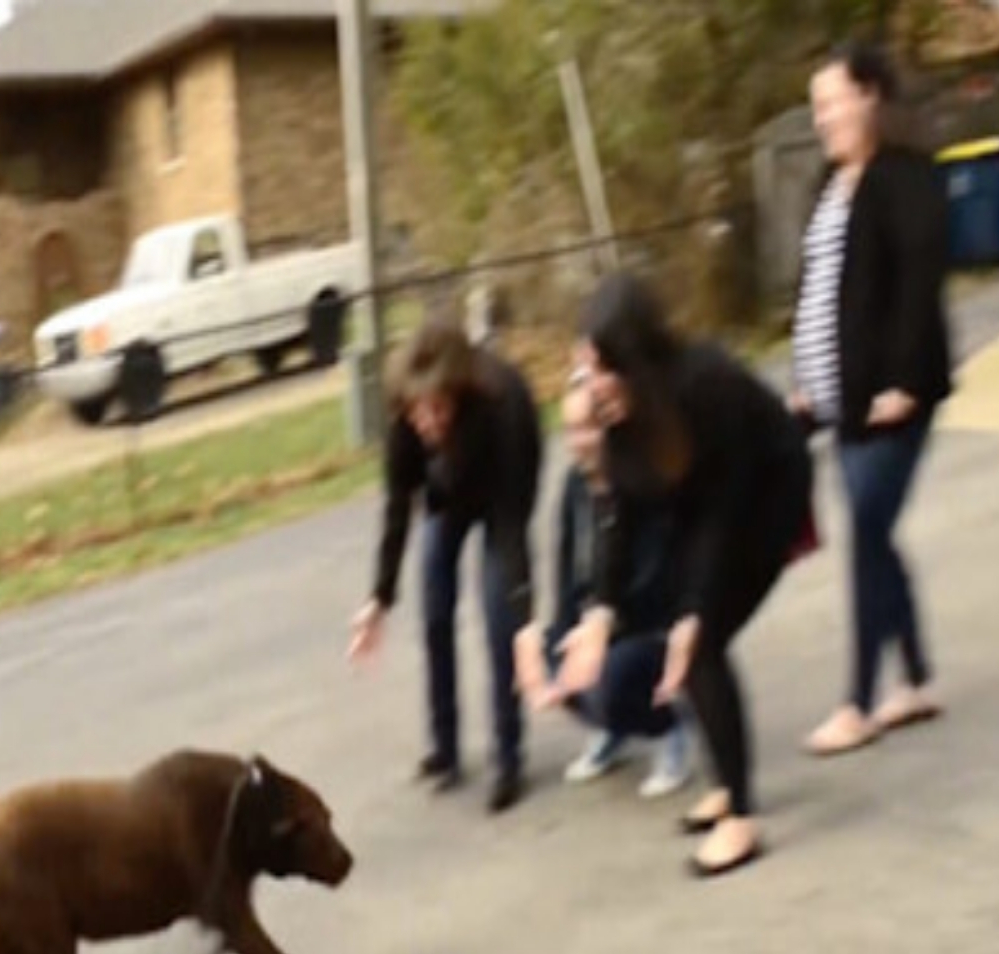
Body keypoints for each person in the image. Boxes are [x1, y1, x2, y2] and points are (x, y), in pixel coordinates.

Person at [517, 272, 812, 877]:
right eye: (585, 367)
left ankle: (741, 820)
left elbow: (720, 516)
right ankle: (729, 782)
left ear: (638, 360)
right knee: (697, 640)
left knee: (699, 642)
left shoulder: (707, 386)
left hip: (766, 494)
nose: (590, 384)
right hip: (703, 506)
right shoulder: (618, 410)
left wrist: (697, 609)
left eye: (601, 367)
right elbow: (617, 516)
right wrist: (600, 614)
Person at [792, 41, 951, 756]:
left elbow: (919, 285)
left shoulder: (904, 177)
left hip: (894, 400)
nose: (821, 117)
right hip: (843, 400)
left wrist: (905, 383)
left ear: (869, 98)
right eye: (816, 105)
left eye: (830, 101)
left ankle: (857, 702)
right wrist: (806, 378)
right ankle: (914, 679)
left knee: (865, 532)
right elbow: (822, 291)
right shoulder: (833, 184)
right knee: (876, 532)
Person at [348, 316, 543, 814]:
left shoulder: (502, 405)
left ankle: (509, 757)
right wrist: (379, 597)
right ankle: (445, 749)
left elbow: (510, 525)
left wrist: (523, 614)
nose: (427, 423)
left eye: (438, 409)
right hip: (447, 495)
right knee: (435, 607)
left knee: (500, 618)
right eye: (418, 412)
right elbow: (397, 508)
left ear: (460, 393)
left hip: (503, 488)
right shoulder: (404, 423)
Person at [538, 366, 692, 795]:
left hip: (647, 626)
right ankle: (614, 726)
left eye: (588, 428)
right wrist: (561, 635)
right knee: (548, 658)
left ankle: (669, 728)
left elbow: (654, 580)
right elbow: (566, 564)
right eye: (570, 431)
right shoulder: (574, 484)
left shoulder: (639, 482)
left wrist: (600, 632)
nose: (578, 442)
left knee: (607, 676)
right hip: (598, 625)